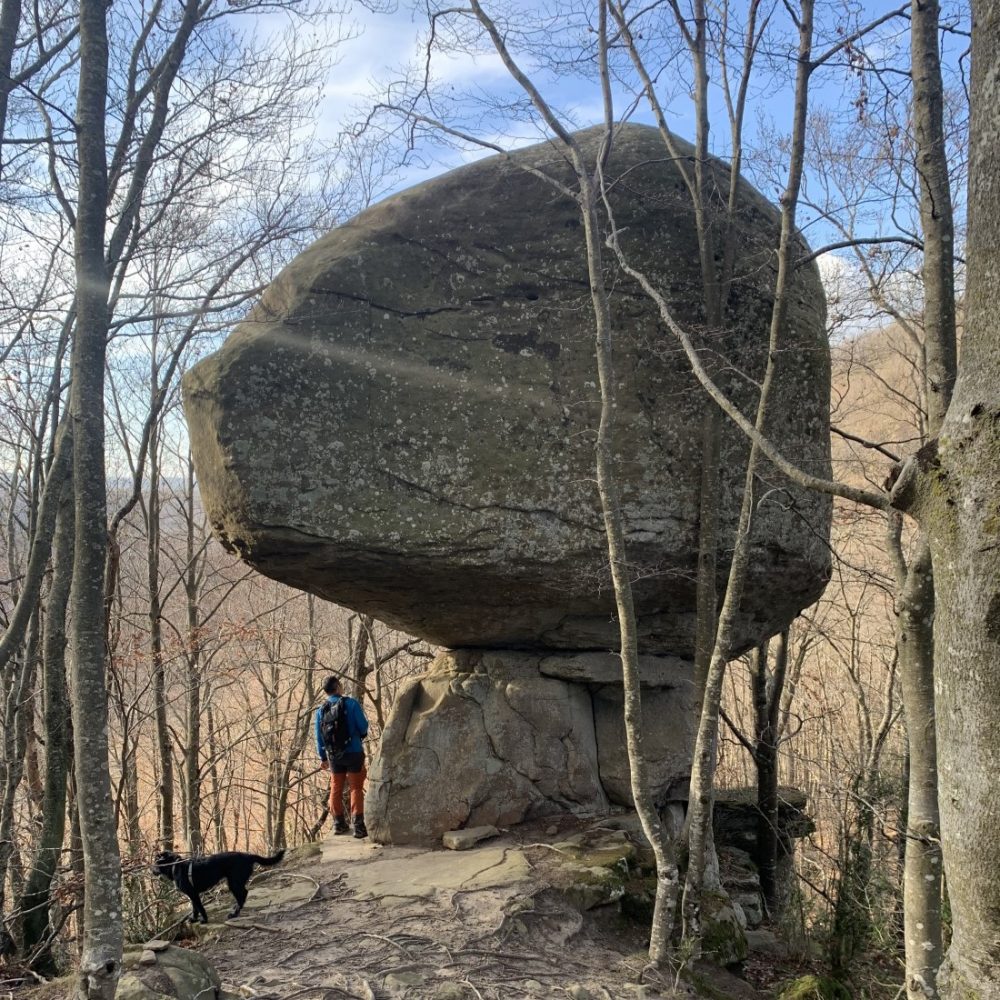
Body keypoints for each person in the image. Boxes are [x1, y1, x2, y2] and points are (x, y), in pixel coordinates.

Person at [315, 675, 370, 838]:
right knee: (356, 787)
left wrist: (323, 757)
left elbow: (319, 737)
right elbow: (363, 727)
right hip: (353, 751)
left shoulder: (321, 710)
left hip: (334, 755)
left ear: (326, 691)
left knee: (336, 788)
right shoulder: (351, 704)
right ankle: (359, 827)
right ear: (338, 687)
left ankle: (339, 824)